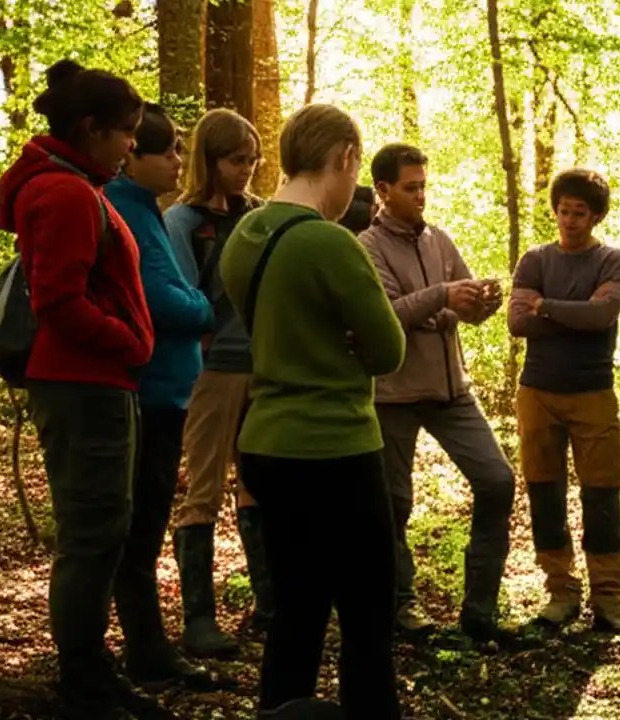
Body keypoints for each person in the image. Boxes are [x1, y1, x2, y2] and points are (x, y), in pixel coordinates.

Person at [0, 60, 168, 719]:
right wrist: (131, 342)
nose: (132, 144)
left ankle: (90, 669)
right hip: (82, 384)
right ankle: (83, 679)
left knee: (102, 525)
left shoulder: (76, 186)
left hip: (93, 382)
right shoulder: (65, 194)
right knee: (94, 530)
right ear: (90, 129)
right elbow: (60, 300)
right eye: (126, 133)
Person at [219, 104, 405, 716]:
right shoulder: (331, 243)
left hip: (265, 442)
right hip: (336, 446)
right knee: (367, 615)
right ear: (346, 159)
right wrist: (351, 339)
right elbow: (387, 349)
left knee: (295, 608)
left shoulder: (243, 237)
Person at [357, 143, 516, 643]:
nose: (421, 194)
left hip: (452, 391)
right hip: (395, 394)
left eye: (424, 184)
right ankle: (400, 605)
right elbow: (385, 316)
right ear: (383, 191)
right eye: (411, 187)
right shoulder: (366, 246)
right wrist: (443, 299)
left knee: (497, 481)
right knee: (393, 503)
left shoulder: (439, 240)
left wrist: (479, 302)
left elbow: (457, 304)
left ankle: (480, 611)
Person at [104, 103, 214, 690]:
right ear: (133, 155)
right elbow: (165, 297)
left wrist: (191, 299)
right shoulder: (125, 208)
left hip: (168, 392)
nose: (178, 160)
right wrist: (203, 308)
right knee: (140, 525)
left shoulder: (145, 209)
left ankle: (146, 645)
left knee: (146, 520)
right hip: (149, 395)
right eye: (168, 149)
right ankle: (144, 649)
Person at [508, 168, 620, 633]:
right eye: (563, 211)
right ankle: (560, 591)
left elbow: (603, 314)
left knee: (602, 493)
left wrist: (548, 306)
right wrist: (571, 311)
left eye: (579, 212)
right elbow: (518, 322)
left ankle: (609, 597)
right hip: (538, 391)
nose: (569, 220)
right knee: (545, 492)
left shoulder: (611, 260)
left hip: (593, 392)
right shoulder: (536, 260)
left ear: (596, 215)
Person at [165, 108, 269, 658]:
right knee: (203, 488)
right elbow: (182, 295)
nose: (246, 171)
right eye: (235, 160)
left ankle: (269, 605)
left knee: (260, 485)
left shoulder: (259, 215)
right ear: (210, 160)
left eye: (252, 160)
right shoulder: (183, 222)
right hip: (210, 370)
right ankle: (198, 618)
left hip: (262, 365)